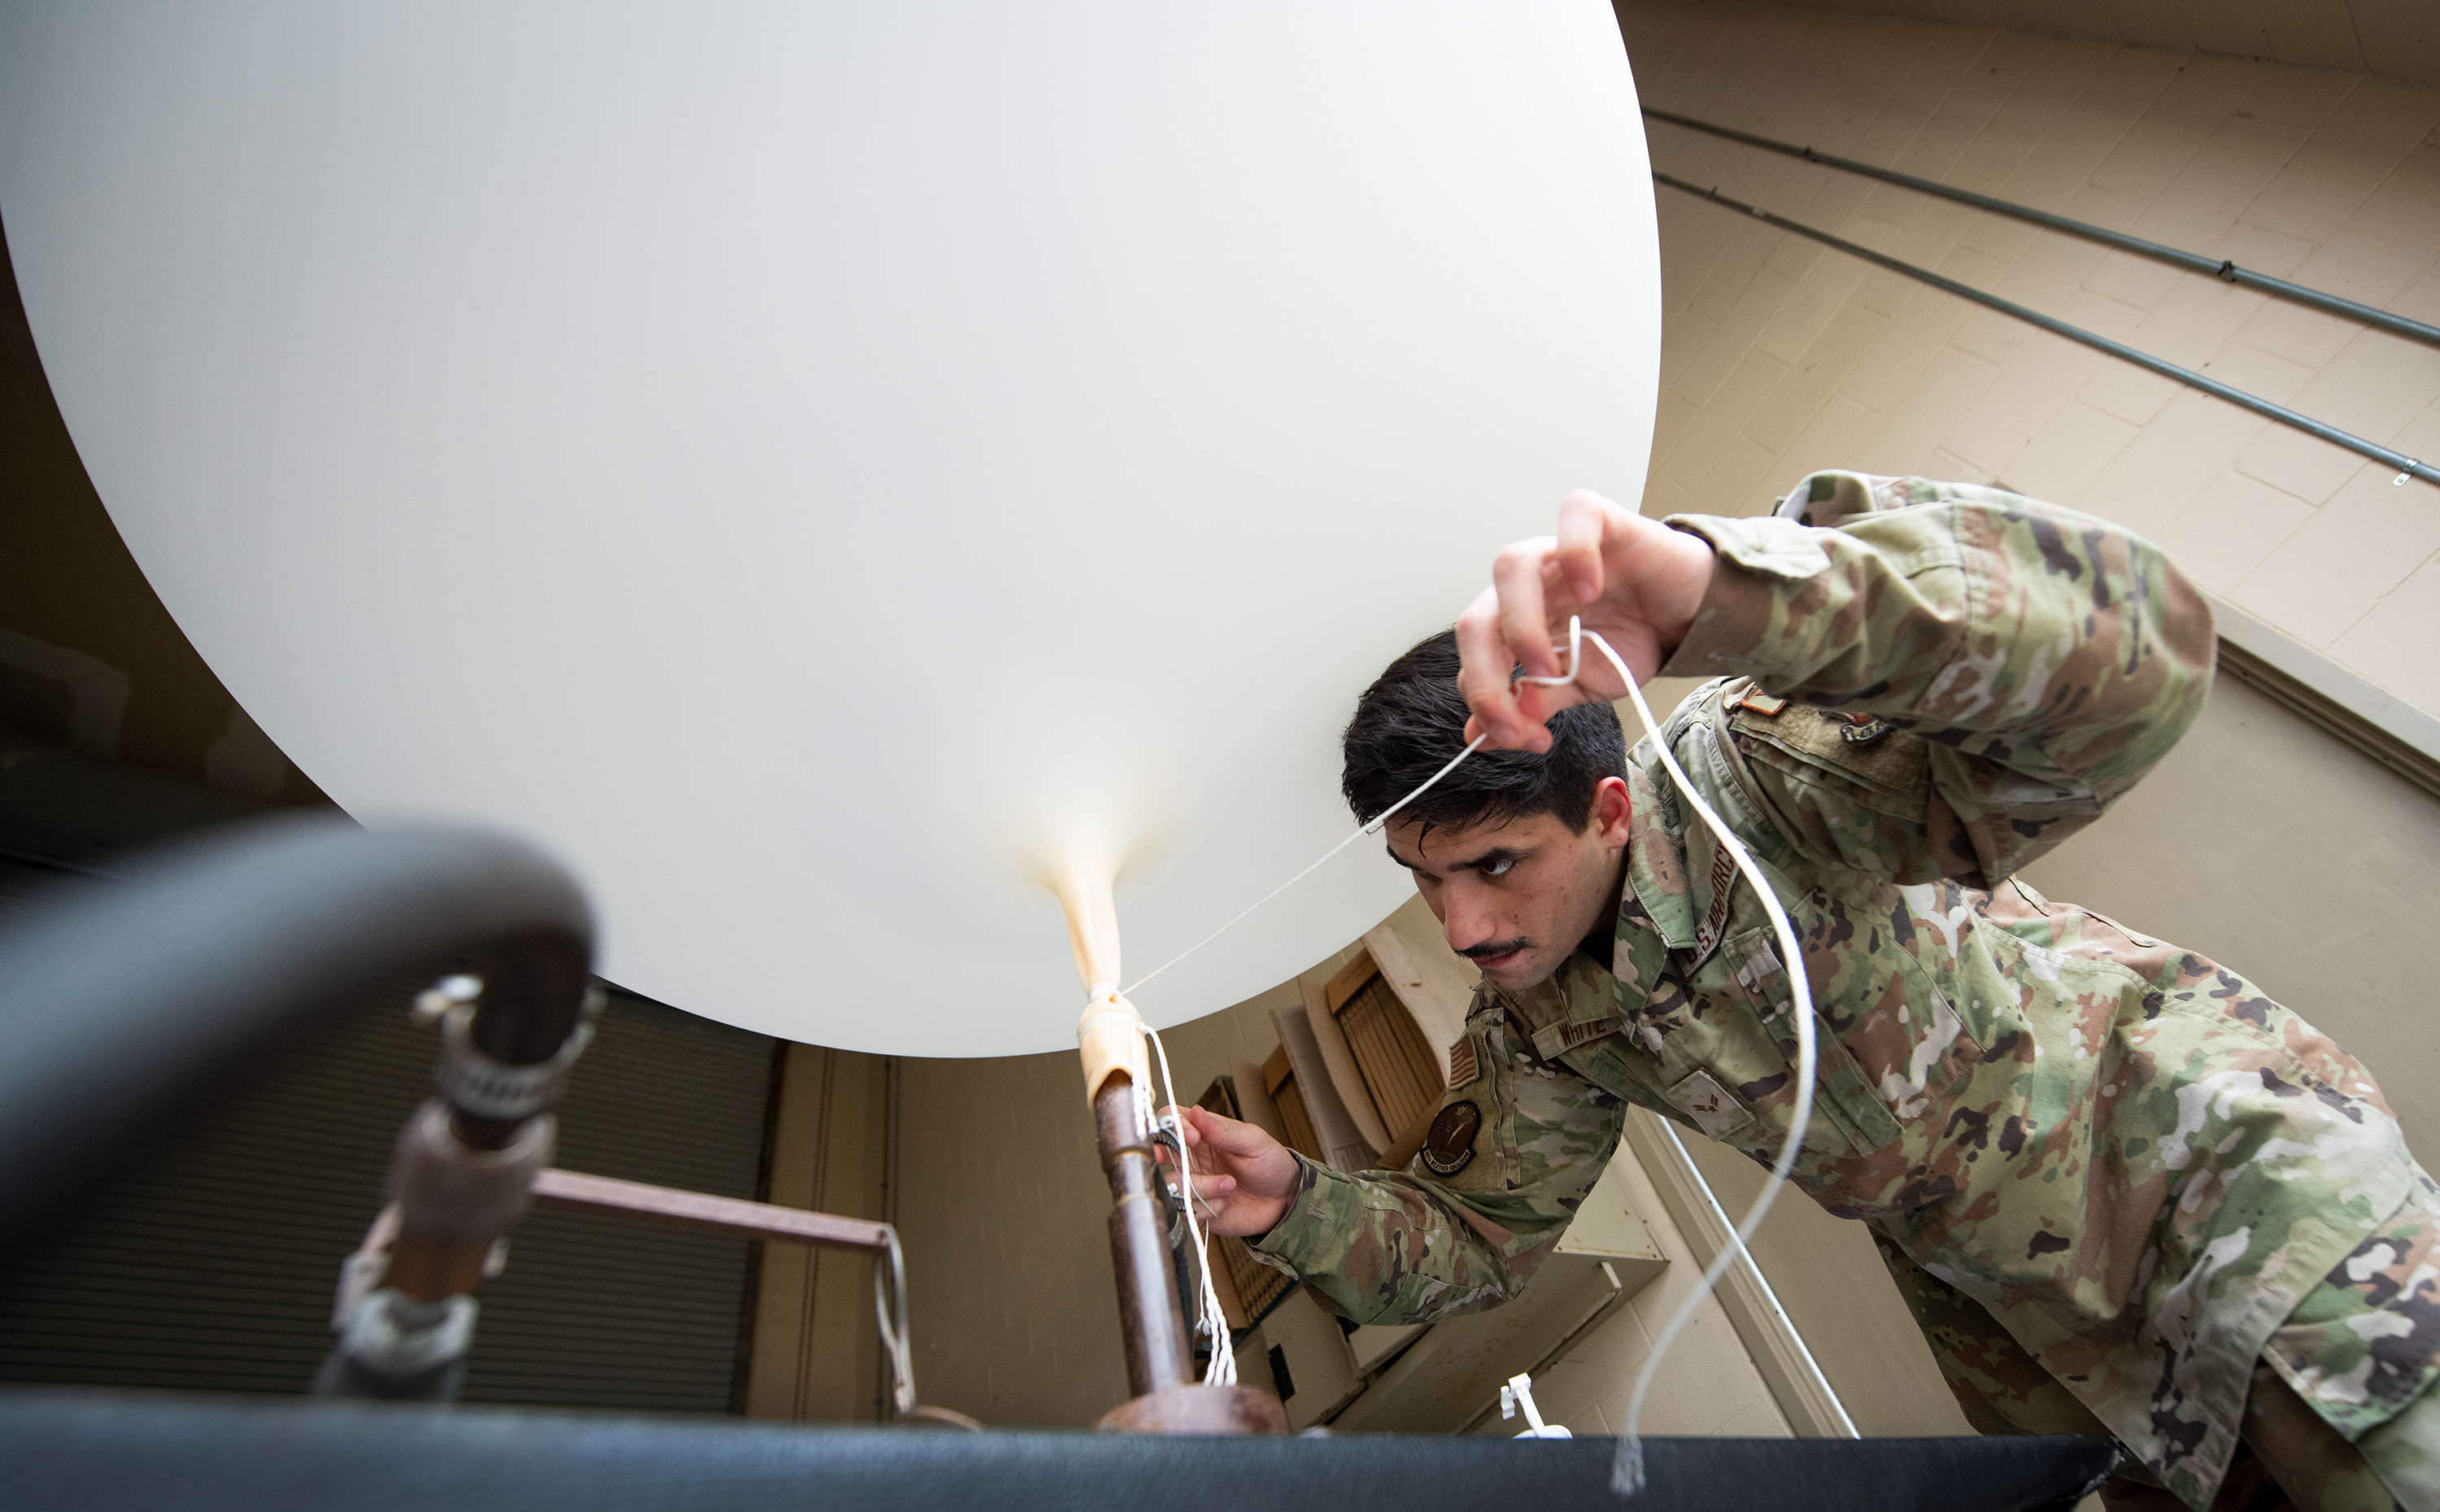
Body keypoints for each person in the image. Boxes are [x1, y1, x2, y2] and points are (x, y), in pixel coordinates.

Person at [1166, 471, 2438, 1512]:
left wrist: (1724, 594)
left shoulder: (1750, 782)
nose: (1463, 928)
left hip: (2217, 1195)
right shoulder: (1541, 1023)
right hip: (2050, 1339)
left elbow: (2133, 664)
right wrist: (1295, 1206)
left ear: (1607, 811)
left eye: (1496, 865)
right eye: (1426, 880)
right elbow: (1478, 1242)